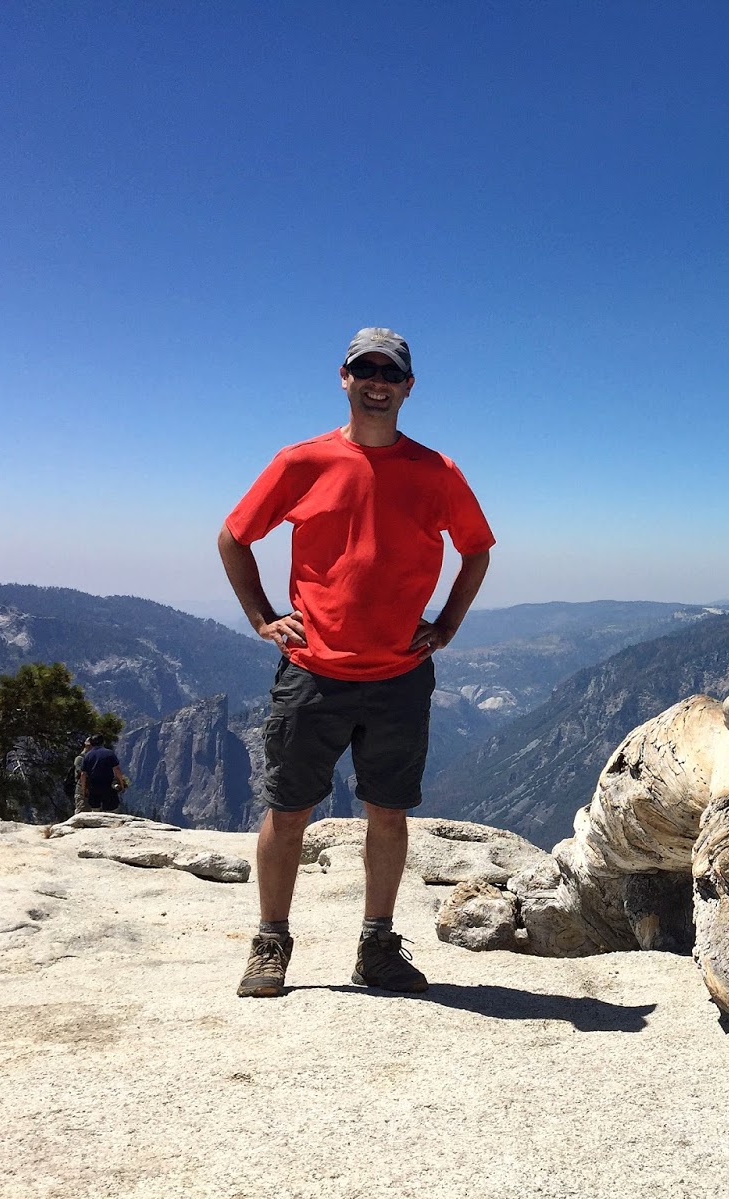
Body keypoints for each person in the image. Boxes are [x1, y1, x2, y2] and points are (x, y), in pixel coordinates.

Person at [218, 327, 494, 998]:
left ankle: (376, 946)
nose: (377, 379)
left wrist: (448, 623)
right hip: (313, 671)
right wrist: (261, 618)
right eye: (364, 368)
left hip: (398, 676)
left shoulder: (438, 472)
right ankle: (270, 941)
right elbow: (234, 536)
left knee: (389, 813)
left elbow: (476, 549)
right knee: (288, 812)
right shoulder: (301, 462)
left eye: (389, 371)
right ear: (343, 377)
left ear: (408, 386)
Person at [77, 734, 128, 812]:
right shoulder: (109, 753)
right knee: (112, 810)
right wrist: (121, 783)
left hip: (93, 787)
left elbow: (83, 774)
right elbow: (117, 769)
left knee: (95, 811)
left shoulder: (87, 756)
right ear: (103, 742)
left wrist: (84, 790)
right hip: (107, 785)